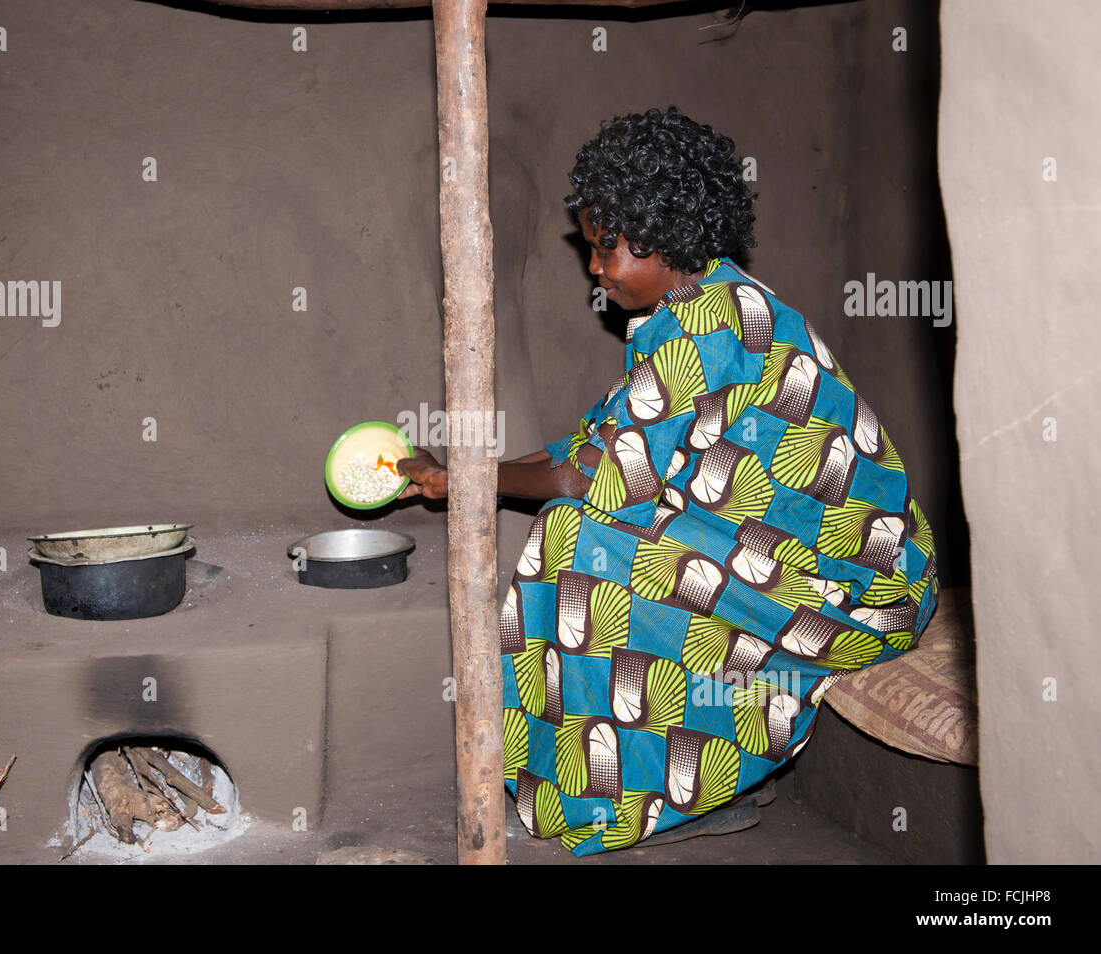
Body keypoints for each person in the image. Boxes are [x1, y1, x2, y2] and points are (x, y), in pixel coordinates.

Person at [397, 107, 940, 856]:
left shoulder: (707, 329)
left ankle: (656, 793)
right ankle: (640, 776)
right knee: (593, 537)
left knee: (593, 548)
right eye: (590, 246)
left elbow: (590, 482)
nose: (595, 268)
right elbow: (596, 447)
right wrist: (462, 475)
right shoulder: (703, 302)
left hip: (860, 595)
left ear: (662, 238)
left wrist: (466, 482)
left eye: (606, 248)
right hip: (806, 563)